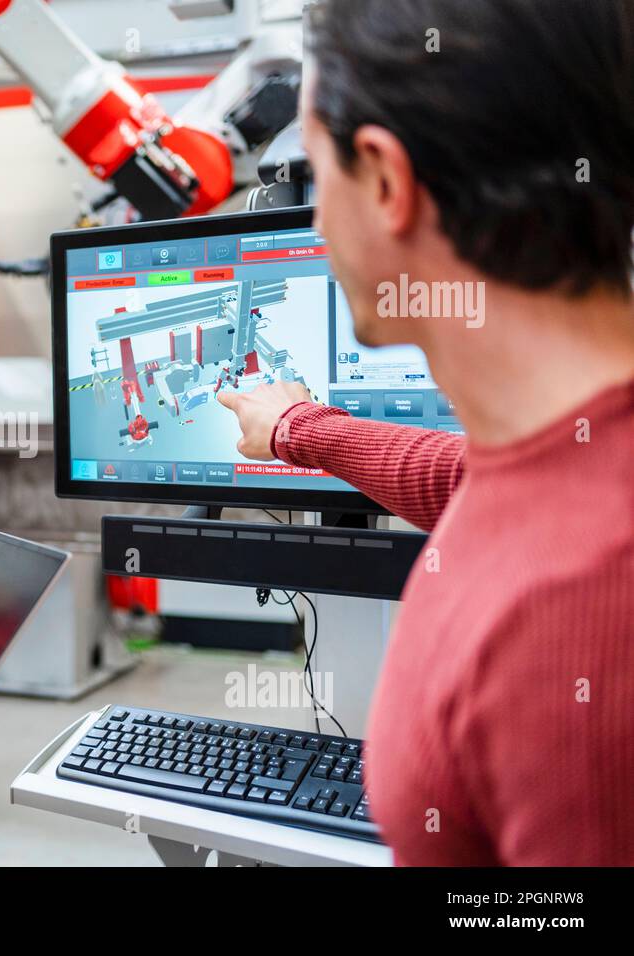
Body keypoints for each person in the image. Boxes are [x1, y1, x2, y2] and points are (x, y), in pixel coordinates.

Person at [217, 0, 634, 864]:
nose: (315, 220)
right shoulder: (573, 457)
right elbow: (467, 484)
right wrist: (300, 427)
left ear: (383, 181)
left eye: (314, 166)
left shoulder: (584, 607)